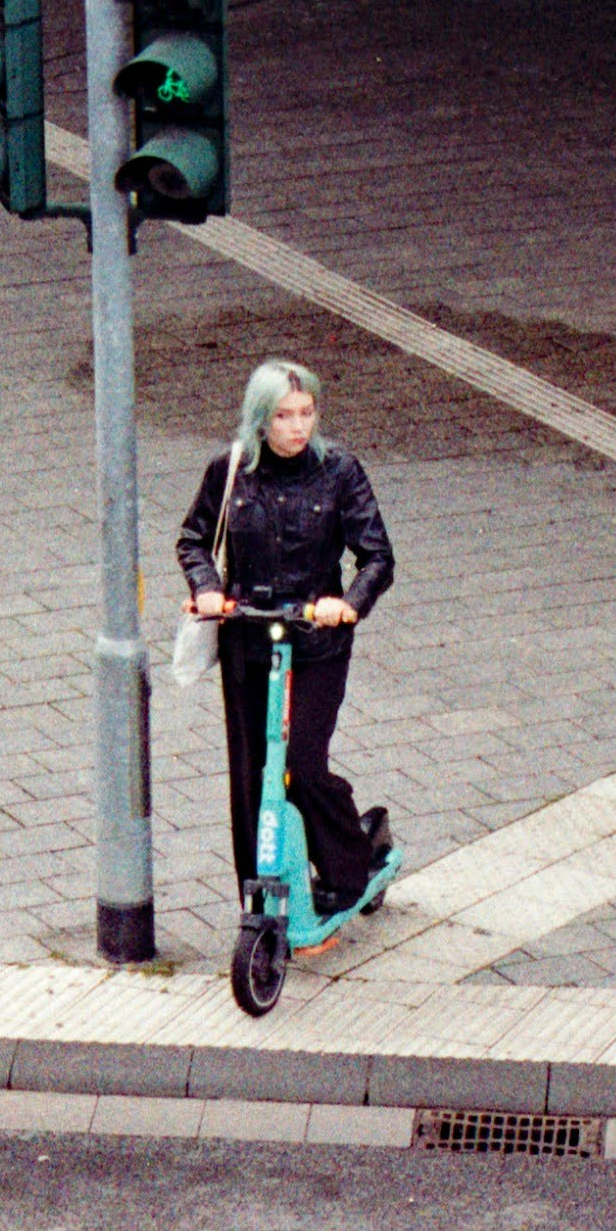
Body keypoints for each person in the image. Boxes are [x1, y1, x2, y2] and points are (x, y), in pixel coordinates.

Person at [177, 356, 397, 943]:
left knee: (299, 763)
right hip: (250, 640)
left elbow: (377, 557)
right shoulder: (230, 471)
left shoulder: (340, 472)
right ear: (260, 419)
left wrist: (347, 602)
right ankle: (261, 903)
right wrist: (207, 590)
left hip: (316, 645)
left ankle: (351, 865)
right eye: (283, 416)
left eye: (306, 413)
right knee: (252, 776)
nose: (298, 427)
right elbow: (195, 539)